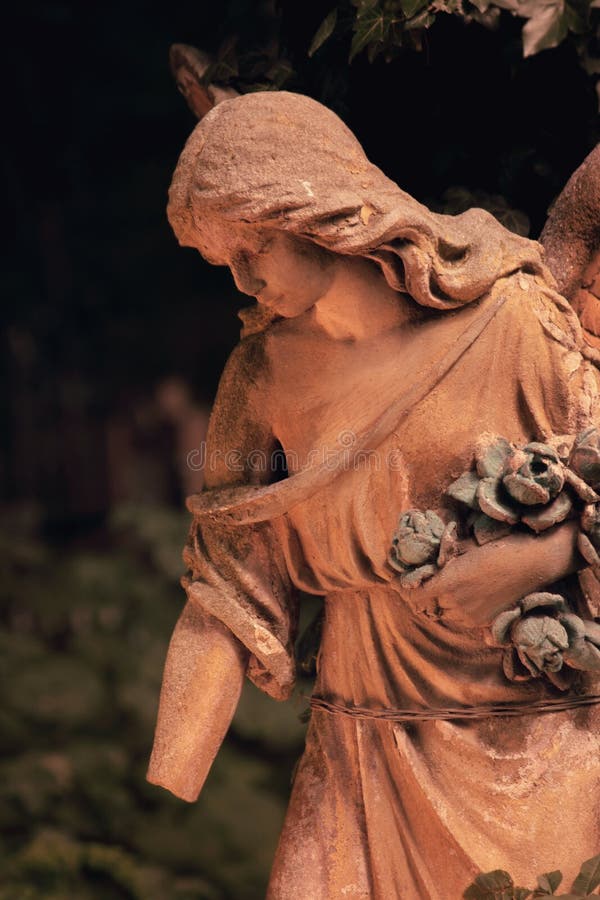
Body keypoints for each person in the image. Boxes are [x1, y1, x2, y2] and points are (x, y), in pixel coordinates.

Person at [148, 91, 600, 898]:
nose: (246, 277)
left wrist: (541, 552)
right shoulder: (258, 379)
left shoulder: (515, 322)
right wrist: (171, 775)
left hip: (531, 752)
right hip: (355, 752)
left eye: (255, 244)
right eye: (225, 262)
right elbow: (224, 587)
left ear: (322, 212)